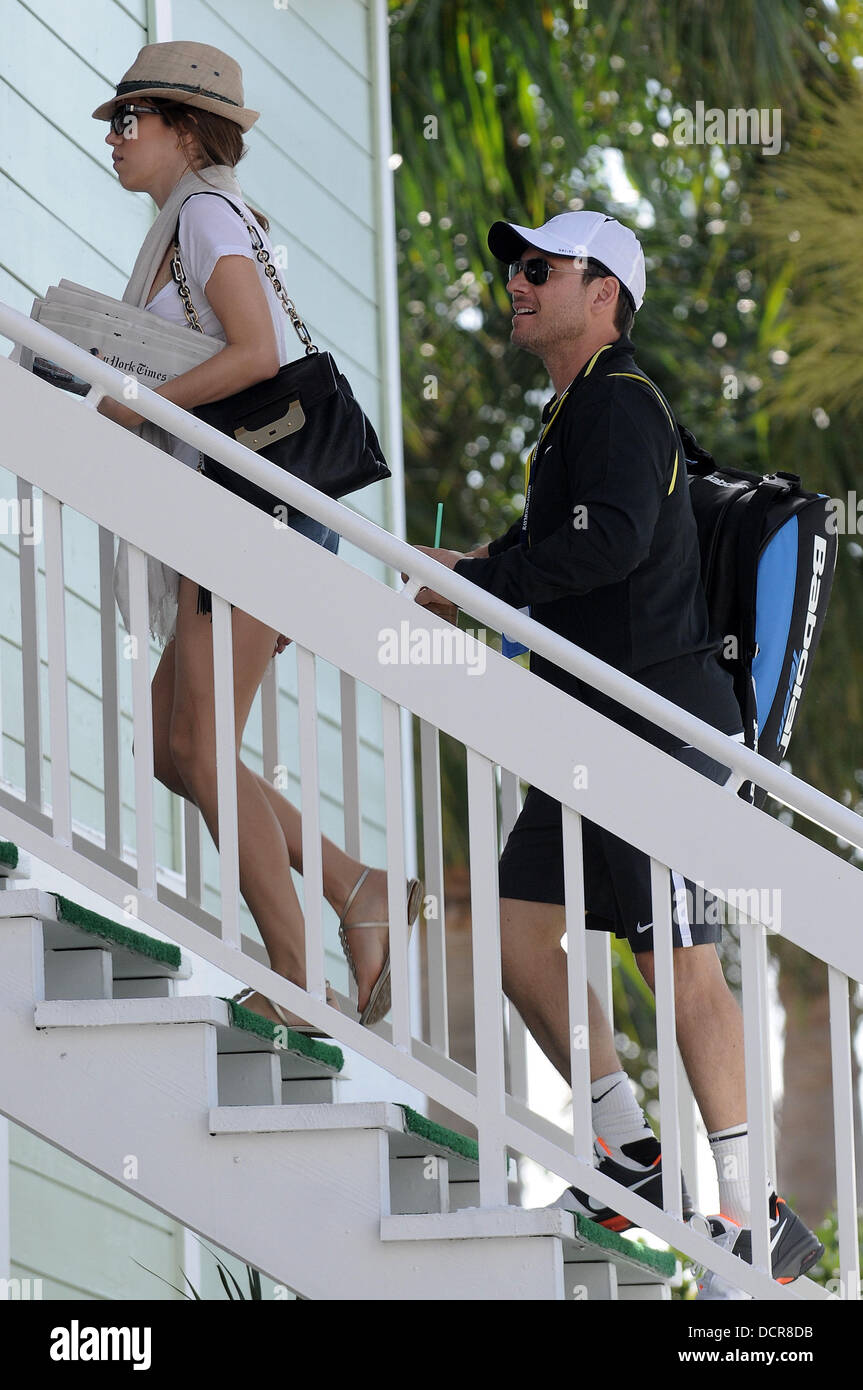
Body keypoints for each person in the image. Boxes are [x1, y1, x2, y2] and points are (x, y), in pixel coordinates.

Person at [412, 210, 822, 1296]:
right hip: (587, 725)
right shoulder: (575, 410)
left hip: (657, 730)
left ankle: (755, 1214)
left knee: (676, 959)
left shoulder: (622, 401)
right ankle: (630, 1157)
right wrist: (481, 561)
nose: (517, 280)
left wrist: (489, 583)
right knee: (516, 929)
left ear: (604, 293)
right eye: (513, 265)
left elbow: (615, 538)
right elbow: (575, 537)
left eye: (541, 267)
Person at [92, 41, 421, 1032]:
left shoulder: (201, 212)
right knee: (173, 744)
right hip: (243, 511)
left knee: (196, 744)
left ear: (186, 130)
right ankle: (353, 886)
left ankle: (296, 976)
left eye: (128, 119)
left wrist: (137, 404)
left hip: (248, 510)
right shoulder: (195, 220)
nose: (112, 137)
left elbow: (256, 352)